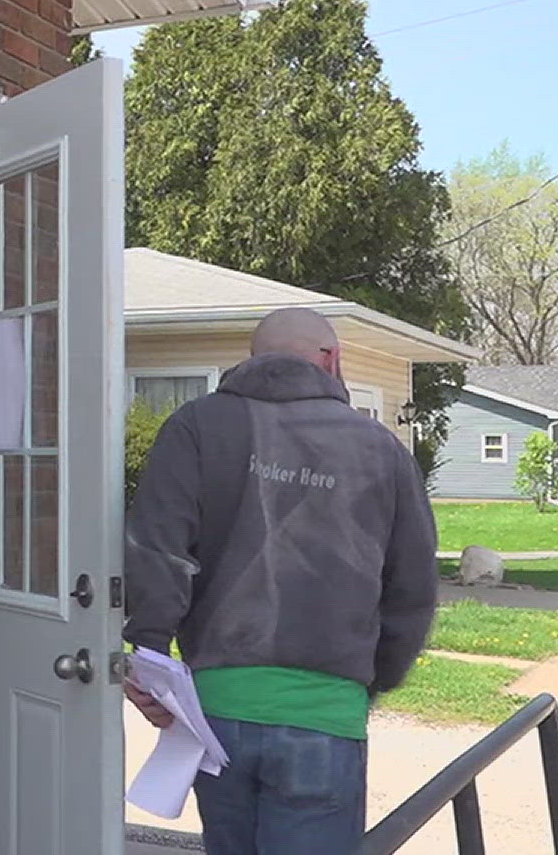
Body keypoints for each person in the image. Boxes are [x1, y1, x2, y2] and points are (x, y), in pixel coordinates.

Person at [122, 306, 438, 854]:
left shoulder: (197, 426)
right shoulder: (380, 448)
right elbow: (412, 585)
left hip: (215, 715)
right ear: (331, 359)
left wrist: (149, 656)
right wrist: (371, 679)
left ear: (253, 361)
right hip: (326, 712)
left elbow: (156, 548)